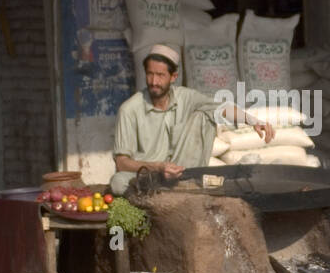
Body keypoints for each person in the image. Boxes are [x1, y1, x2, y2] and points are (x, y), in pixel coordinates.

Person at [112, 44, 274, 195]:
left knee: (204, 115)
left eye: (160, 75)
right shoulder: (129, 109)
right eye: (150, 74)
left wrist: (253, 121)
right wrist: (159, 167)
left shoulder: (186, 97)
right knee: (118, 183)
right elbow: (121, 163)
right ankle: (178, 189)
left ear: (173, 76)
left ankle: (186, 182)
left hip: (179, 173)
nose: (154, 82)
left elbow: (221, 108)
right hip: (149, 175)